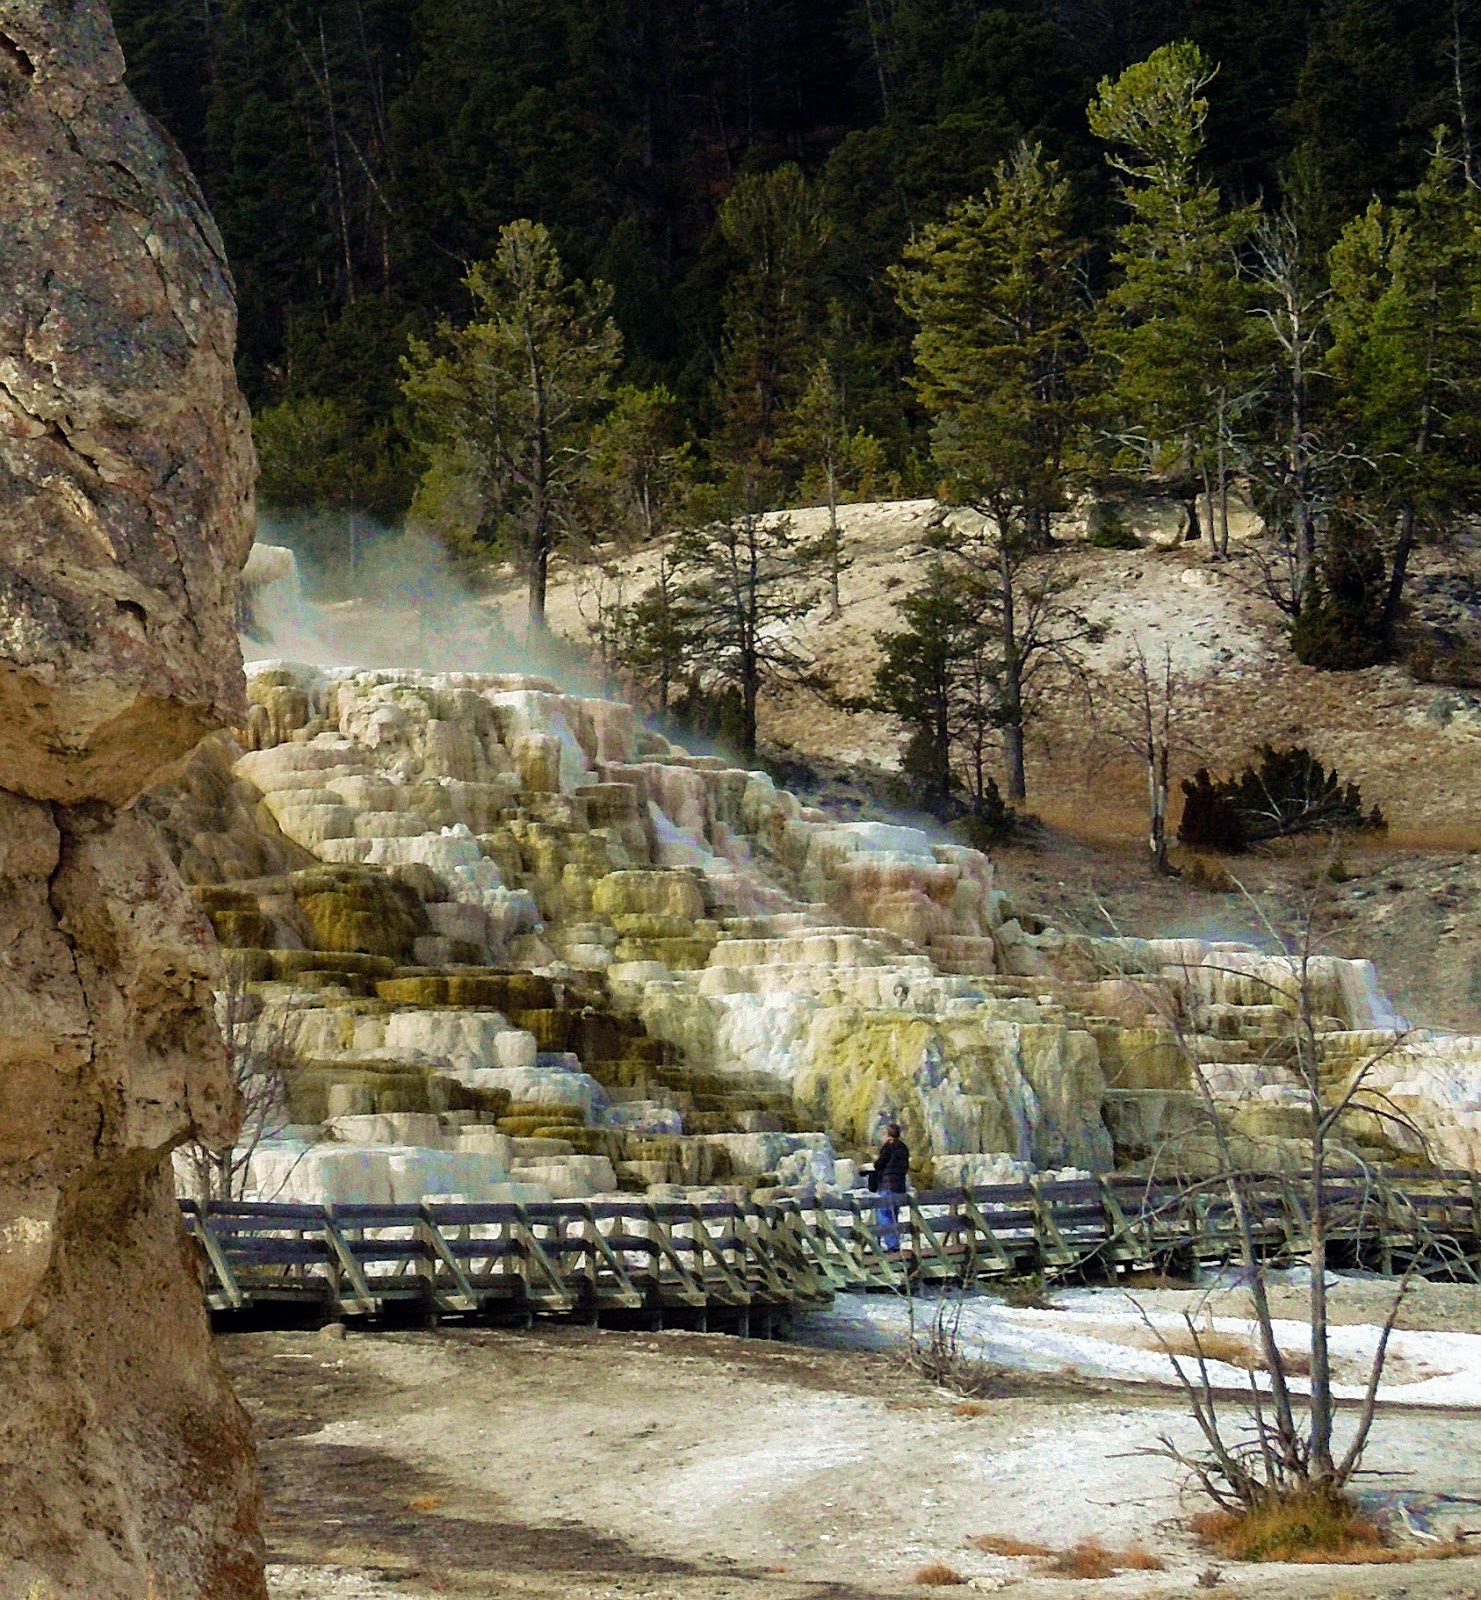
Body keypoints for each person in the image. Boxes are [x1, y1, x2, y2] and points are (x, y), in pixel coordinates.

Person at [872, 1122, 910, 1252]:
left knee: (884, 1214)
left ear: (888, 1134)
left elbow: (879, 1164)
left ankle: (892, 1245)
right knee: (894, 1214)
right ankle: (895, 1243)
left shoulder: (888, 1147)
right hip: (900, 1186)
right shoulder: (904, 1148)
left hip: (887, 1185)